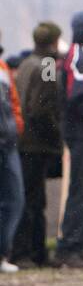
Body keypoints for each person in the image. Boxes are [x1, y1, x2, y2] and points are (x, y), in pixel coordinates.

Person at [52, 11, 83, 268]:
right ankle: (71, 247)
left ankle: (72, 246)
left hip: (77, 132)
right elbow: (79, 97)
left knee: (81, 191)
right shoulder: (82, 56)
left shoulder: (73, 54)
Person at [12, 22, 62, 266]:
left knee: (30, 199)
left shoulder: (26, 63)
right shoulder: (48, 65)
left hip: (24, 142)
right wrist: (56, 137)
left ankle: (31, 252)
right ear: (54, 41)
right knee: (33, 200)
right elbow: (43, 108)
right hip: (37, 143)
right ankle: (30, 253)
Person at [0, 33, 24, 272]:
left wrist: (17, 125)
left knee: (17, 199)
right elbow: (44, 100)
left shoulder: (3, 66)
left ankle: (4, 253)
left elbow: (14, 103)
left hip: (11, 142)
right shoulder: (45, 65)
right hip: (34, 144)